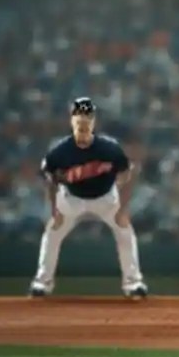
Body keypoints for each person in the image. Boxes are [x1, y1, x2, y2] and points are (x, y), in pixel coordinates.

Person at [30, 97, 148, 299]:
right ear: (72, 121)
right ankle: (42, 282)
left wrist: (122, 209)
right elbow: (49, 180)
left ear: (93, 122)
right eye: (79, 119)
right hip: (72, 199)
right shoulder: (60, 152)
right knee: (53, 231)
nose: (83, 124)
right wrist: (54, 210)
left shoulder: (108, 148)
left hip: (105, 199)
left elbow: (128, 173)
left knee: (125, 230)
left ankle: (133, 283)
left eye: (87, 119)